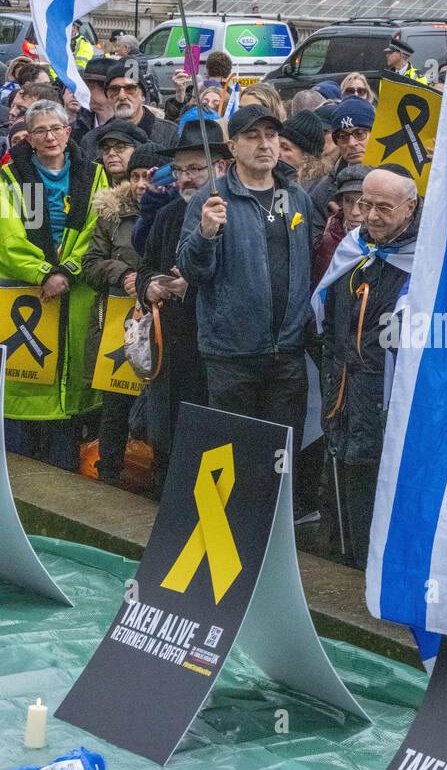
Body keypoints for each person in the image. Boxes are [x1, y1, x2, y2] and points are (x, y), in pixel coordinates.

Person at [176, 105, 313, 504]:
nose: (265, 144)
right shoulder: (210, 198)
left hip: (286, 353)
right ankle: (231, 532)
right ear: (232, 147)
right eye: (253, 136)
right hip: (232, 355)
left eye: (271, 135)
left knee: (279, 459)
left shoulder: (297, 196)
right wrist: (205, 232)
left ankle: (274, 531)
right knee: (232, 454)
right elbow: (191, 271)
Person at [319, 166, 418, 566]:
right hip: (342, 384)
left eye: (383, 208)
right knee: (338, 465)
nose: (371, 216)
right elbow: (328, 314)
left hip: (386, 391)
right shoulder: (354, 247)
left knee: (373, 479)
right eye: (365, 204)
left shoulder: (425, 259)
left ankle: (368, 564)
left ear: (410, 208)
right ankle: (336, 556)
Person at [0, 99, 106, 469]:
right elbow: (7, 237)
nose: (49, 137)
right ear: (28, 137)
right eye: (40, 130)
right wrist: (44, 272)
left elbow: (98, 227)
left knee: (72, 387)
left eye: (55, 128)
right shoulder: (11, 177)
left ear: (68, 131)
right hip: (27, 294)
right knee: (24, 396)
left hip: (76, 293)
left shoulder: (92, 174)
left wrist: (68, 270)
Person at [136, 120, 231, 493]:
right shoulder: (168, 215)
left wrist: (189, 283)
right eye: (180, 170)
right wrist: (152, 284)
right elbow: (144, 267)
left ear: (220, 168)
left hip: (216, 348)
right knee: (168, 437)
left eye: (195, 169)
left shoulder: (237, 211)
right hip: (173, 346)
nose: (186, 178)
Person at [82, 144, 161, 484]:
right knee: (116, 406)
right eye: (136, 176)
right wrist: (123, 275)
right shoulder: (112, 215)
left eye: (149, 176)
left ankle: (156, 480)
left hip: (160, 324)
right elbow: (90, 263)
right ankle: (108, 475)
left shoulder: (173, 213)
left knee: (157, 409)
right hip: (118, 320)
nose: (142, 183)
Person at [81, 60, 177, 160]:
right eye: (114, 90)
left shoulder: (170, 134)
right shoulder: (92, 140)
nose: (122, 96)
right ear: (108, 97)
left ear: (143, 95)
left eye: (130, 89)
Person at [308, 96, 375, 239]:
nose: (351, 143)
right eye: (343, 136)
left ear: (374, 134)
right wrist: (335, 230)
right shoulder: (323, 192)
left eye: (360, 134)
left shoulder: (398, 179)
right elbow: (314, 247)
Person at [93, 120, 154, 186]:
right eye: (106, 149)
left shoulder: (154, 189)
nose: (111, 153)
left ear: (137, 150)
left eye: (120, 147)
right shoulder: (92, 181)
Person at [279, 110, 326, 188]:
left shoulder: (316, 190)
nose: (276, 152)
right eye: (276, 145)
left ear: (307, 158)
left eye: (286, 148)